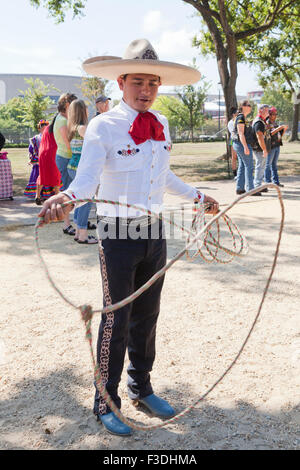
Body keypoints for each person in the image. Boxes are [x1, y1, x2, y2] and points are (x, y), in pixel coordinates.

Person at [39, 38, 219, 437]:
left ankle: (142, 386)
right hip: (117, 234)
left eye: (153, 83)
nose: (146, 90)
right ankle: (106, 401)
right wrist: (65, 200)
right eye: (137, 81)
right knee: (116, 318)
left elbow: (164, 177)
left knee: (148, 315)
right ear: (121, 82)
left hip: (154, 232)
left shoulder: (163, 125)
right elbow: (85, 181)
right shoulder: (104, 125)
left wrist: (198, 196)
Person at [67, 99, 97, 244]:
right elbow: (97, 144)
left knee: (79, 200)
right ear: (81, 110)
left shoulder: (72, 127)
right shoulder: (82, 128)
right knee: (86, 201)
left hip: (73, 167)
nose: (87, 109)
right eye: (85, 107)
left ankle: (79, 232)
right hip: (81, 169)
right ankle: (83, 234)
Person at [53, 92, 77, 235]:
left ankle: (79, 221)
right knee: (68, 194)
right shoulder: (62, 121)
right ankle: (66, 224)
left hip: (65, 157)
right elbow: (69, 145)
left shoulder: (61, 118)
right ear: (67, 105)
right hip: (66, 158)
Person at [232, 100, 261, 196]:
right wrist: (245, 147)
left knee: (242, 165)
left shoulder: (243, 117)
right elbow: (240, 133)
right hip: (241, 144)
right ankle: (250, 189)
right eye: (248, 105)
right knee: (249, 166)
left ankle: (240, 188)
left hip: (239, 144)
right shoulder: (240, 117)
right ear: (243, 106)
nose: (250, 107)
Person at [24, 119, 53, 203]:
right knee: (38, 176)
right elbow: (31, 149)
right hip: (38, 160)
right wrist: (30, 157)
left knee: (47, 176)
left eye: (46, 127)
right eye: (42, 128)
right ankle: (38, 194)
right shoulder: (36, 138)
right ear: (39, 128)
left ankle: (48, 193)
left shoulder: (51, 137)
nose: (44, 129)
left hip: (48, 160)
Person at [35, 115, 61, 205]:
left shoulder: (46, 128)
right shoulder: (57, 128)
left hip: (43, 153)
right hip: (53, 152)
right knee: (56, 174)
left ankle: (37, 196)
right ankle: (57, 197)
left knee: (43, 174)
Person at [264, 106, 288, 188]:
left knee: (274, 165)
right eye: (274, 114)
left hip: (277, 145)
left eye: (276, 114)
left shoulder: (275, 123)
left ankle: (276, 182)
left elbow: (279, 135)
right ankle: (268, 182)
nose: (275, 115)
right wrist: (279, 128)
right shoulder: (267, 123)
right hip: (271, 146)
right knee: (268, 164)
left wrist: (283, 129)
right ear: (270, 114)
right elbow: (269, 134)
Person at [252, 104, 271, 192]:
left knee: (262, 166)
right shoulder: (259, 122)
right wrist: (264, 149)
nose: (268, 112)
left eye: (268, 110)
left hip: (261, 148)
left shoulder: (263, 121)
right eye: (266, 110)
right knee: (260, 166)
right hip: (259, 148)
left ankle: (258, 184)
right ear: (260, 111)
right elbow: (259, 136)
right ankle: (257, 186)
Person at [227, 106, 238, 178]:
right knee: (234, 157)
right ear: (234, 114)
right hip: (233, 140)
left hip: (240, 139)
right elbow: (233, 132)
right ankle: (235, 173)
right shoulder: (230, 123)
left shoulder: (239, 121)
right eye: (237, 113)